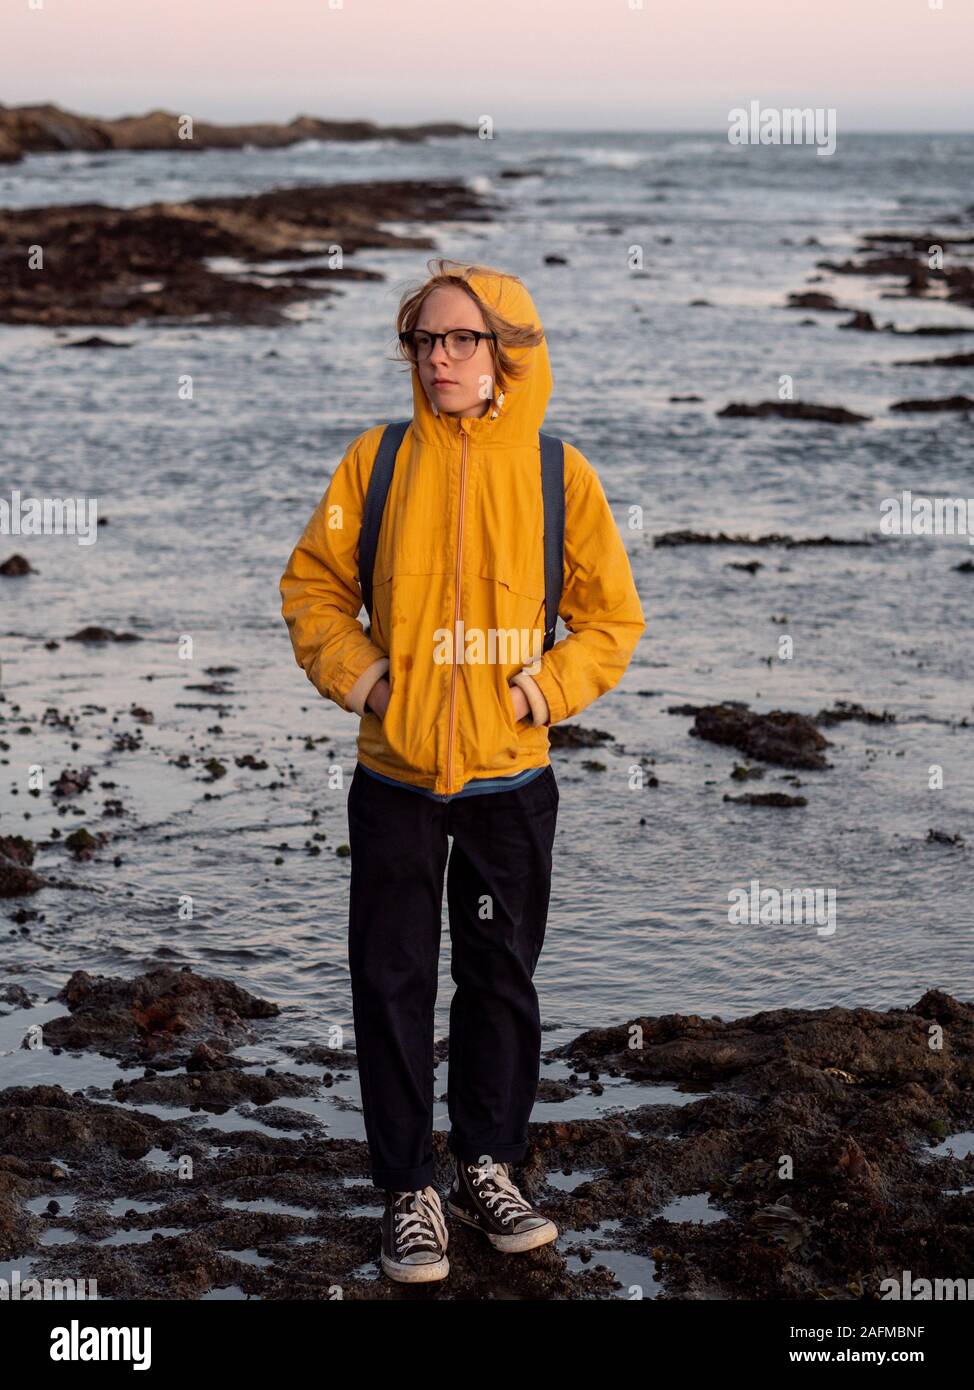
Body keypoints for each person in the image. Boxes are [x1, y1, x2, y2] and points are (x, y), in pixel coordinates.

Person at [280, 257, 646, 1283]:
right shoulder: (376, 462)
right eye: (422, 341)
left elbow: (610, 619)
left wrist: (539, 694)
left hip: (507, 785)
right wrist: (369, 685)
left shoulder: (554, 475)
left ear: (506, 353)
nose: (436, 358)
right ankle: (408, 1190)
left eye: (458, 339)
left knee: (497, 979)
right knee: (389, 979)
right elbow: (312, 588)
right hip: (395, 777)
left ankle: (487, 1165)